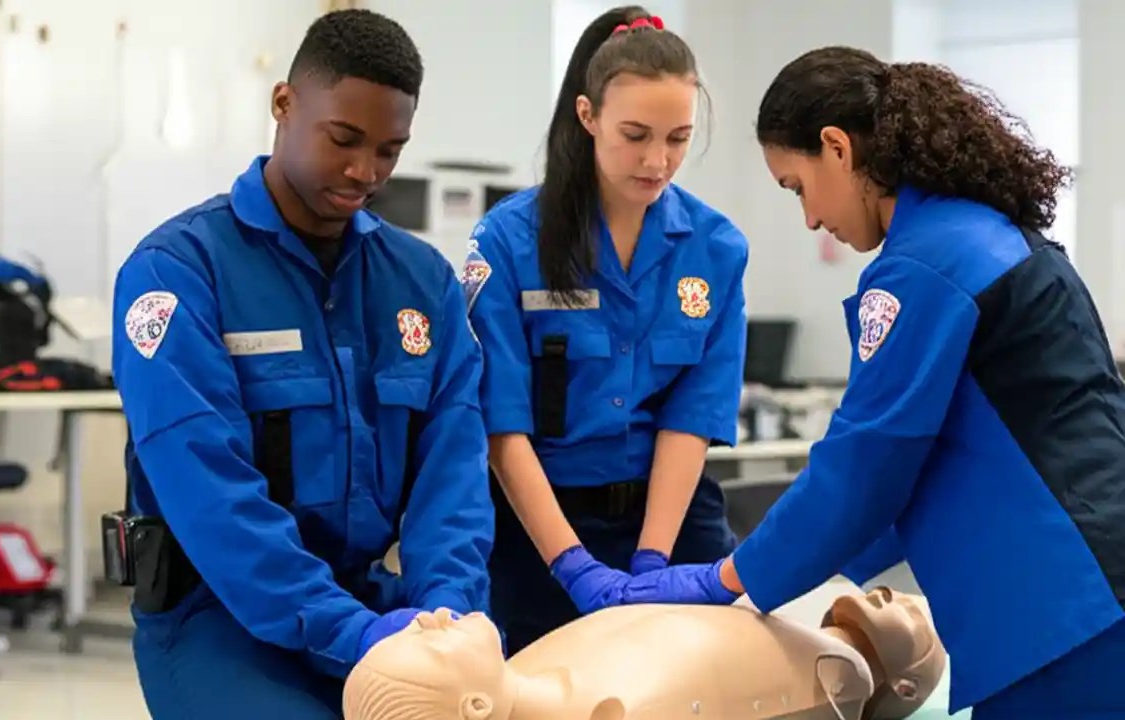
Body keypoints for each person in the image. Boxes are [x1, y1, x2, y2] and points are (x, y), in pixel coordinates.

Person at [656, 46, 1125, 719]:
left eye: (797, 187)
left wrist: (726, 577)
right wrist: (824, 579)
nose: (810, 218)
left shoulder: (923, 266)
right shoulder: (989, 235)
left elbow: (864, 467)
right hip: (1089, 591)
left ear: (837, 149)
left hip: (1061, 607)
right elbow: (926, 464)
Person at [111, 10, 493, 719]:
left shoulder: (422, 284)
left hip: (374, 605)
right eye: (343, 140)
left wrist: (447, 621)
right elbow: (209, 492)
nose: (364, 173)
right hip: (219, 618)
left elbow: (454, 477)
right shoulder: (178, 273)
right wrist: (353, 635)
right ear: (284, 104)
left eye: (389, 150)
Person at [465, 5, 749, 655]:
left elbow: (690, 418)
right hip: (543, 523)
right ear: (588, 117)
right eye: (635, 134)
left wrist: (653, 558)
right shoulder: (508, 241)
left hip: (670, 512)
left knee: (721, 675)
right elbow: (501, 424)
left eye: (678, 138)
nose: (657, 160)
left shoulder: (717, 248)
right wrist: (574, 567)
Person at [340, 587, 946, 720]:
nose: (425, 617)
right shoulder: (628, 708)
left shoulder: (526, 670)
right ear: (475, 705)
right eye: (427, 646)